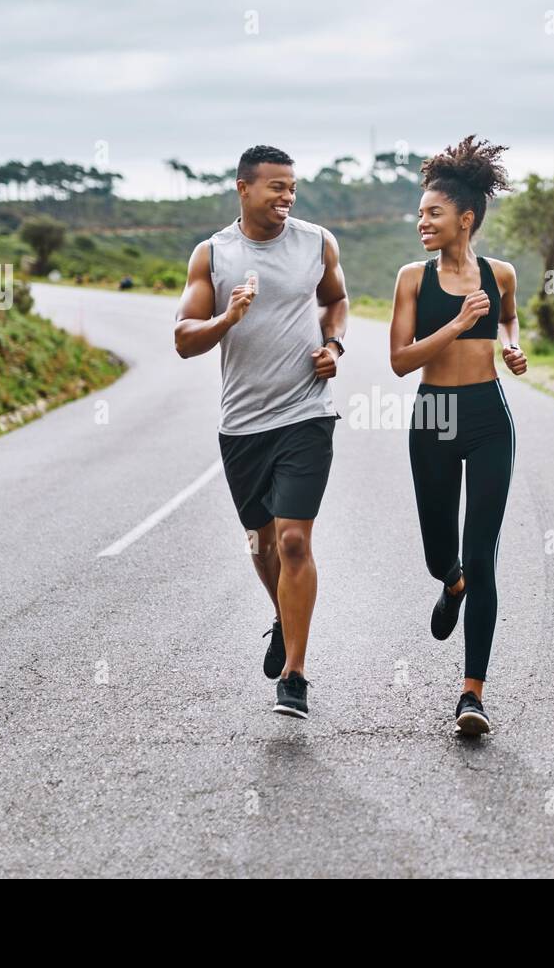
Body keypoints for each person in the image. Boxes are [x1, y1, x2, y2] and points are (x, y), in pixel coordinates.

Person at [174, 145, 348, 719]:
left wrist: (333, 344)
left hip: (306, 412)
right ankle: (282, 612)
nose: (286, 196)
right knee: (262, 542)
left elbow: (336, 300)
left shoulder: (316, 242)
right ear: (243, 189)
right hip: (243, 423)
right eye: (275, 186)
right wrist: (228, 318)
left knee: (295, 540)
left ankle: (295, 674)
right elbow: (184, 338)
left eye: (292, 187)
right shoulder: (214, 254)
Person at [388, 135, 526, 736]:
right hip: (433, 418)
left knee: (484, 553)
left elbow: (511, 317)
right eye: (420, 213)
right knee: (438, 552)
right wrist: (460, 322)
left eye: (433, 213)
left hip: (488, 416)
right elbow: (400, 360)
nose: (422, 221)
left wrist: (513, 346)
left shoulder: (501, 274)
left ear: (464, 219)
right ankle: (451, 582)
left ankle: (472, 694)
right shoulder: (412, 280)